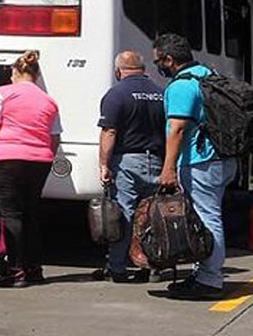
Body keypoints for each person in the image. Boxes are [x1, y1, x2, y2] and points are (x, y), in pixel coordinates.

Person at [153, 33, 237, 300]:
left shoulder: (181, 86)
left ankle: (210, 280)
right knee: (205, 217)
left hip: (201, 161)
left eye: (159, 61)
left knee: (208, 217)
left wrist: (168, 169)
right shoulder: (208, 74)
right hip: (223, 158)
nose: (158, 65)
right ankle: (202, 274)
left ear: (168, 59)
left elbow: (176, 129)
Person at [0, 50, 62, 288]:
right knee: (30, 214)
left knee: (11, 214)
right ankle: (34, 269)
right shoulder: (49, 100)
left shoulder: (2, 93)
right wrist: (44, 156)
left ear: (15, 72)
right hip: (40, 160)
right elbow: (54, 137)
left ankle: (15, 271)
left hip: (7, 158)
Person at [94, 51, 165, 283]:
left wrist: (104, 164)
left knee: (123, 215)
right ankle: (153, 266)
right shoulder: (160, 93)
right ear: (143, 69)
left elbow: (110, 131)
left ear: (118, 71)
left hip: (127, 162)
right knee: (152, 216)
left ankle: (117, 268)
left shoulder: (116, 94)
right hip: (157, 160)